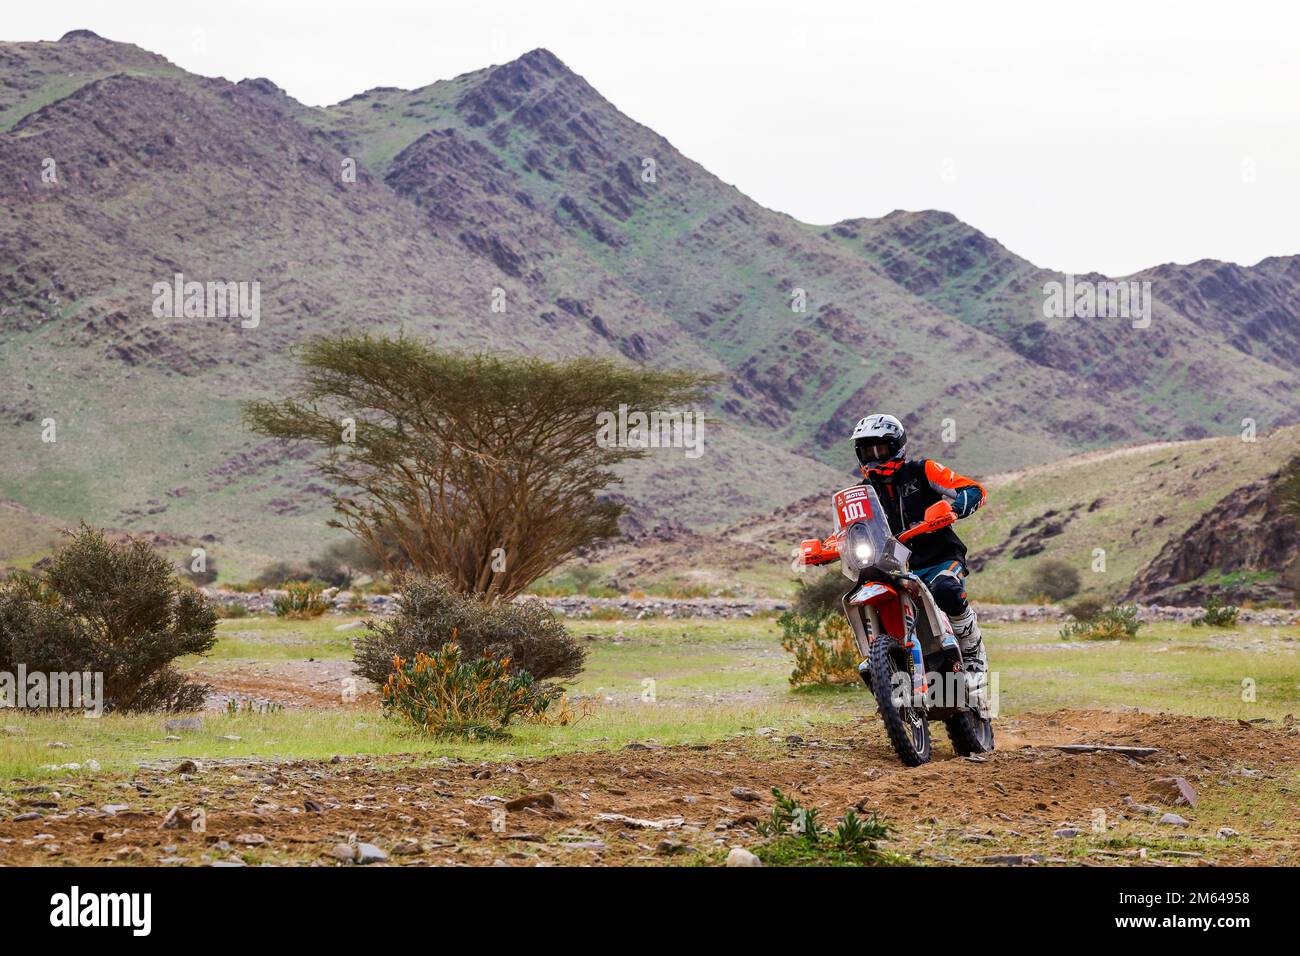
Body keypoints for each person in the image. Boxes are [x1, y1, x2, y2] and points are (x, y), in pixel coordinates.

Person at [851, 413, 988, 673]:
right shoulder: (864, 492)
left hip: (940, 558)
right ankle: (880, 661)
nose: (875, 456)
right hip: (893, 568)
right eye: (868, 451)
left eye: (881, 448)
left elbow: (973, 489)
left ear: (896, 447)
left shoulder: (923, 471)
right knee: (867, 597)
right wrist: (826, 547)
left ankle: (972, 652)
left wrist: (954, 510)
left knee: (947, 589)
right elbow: (852, 528)